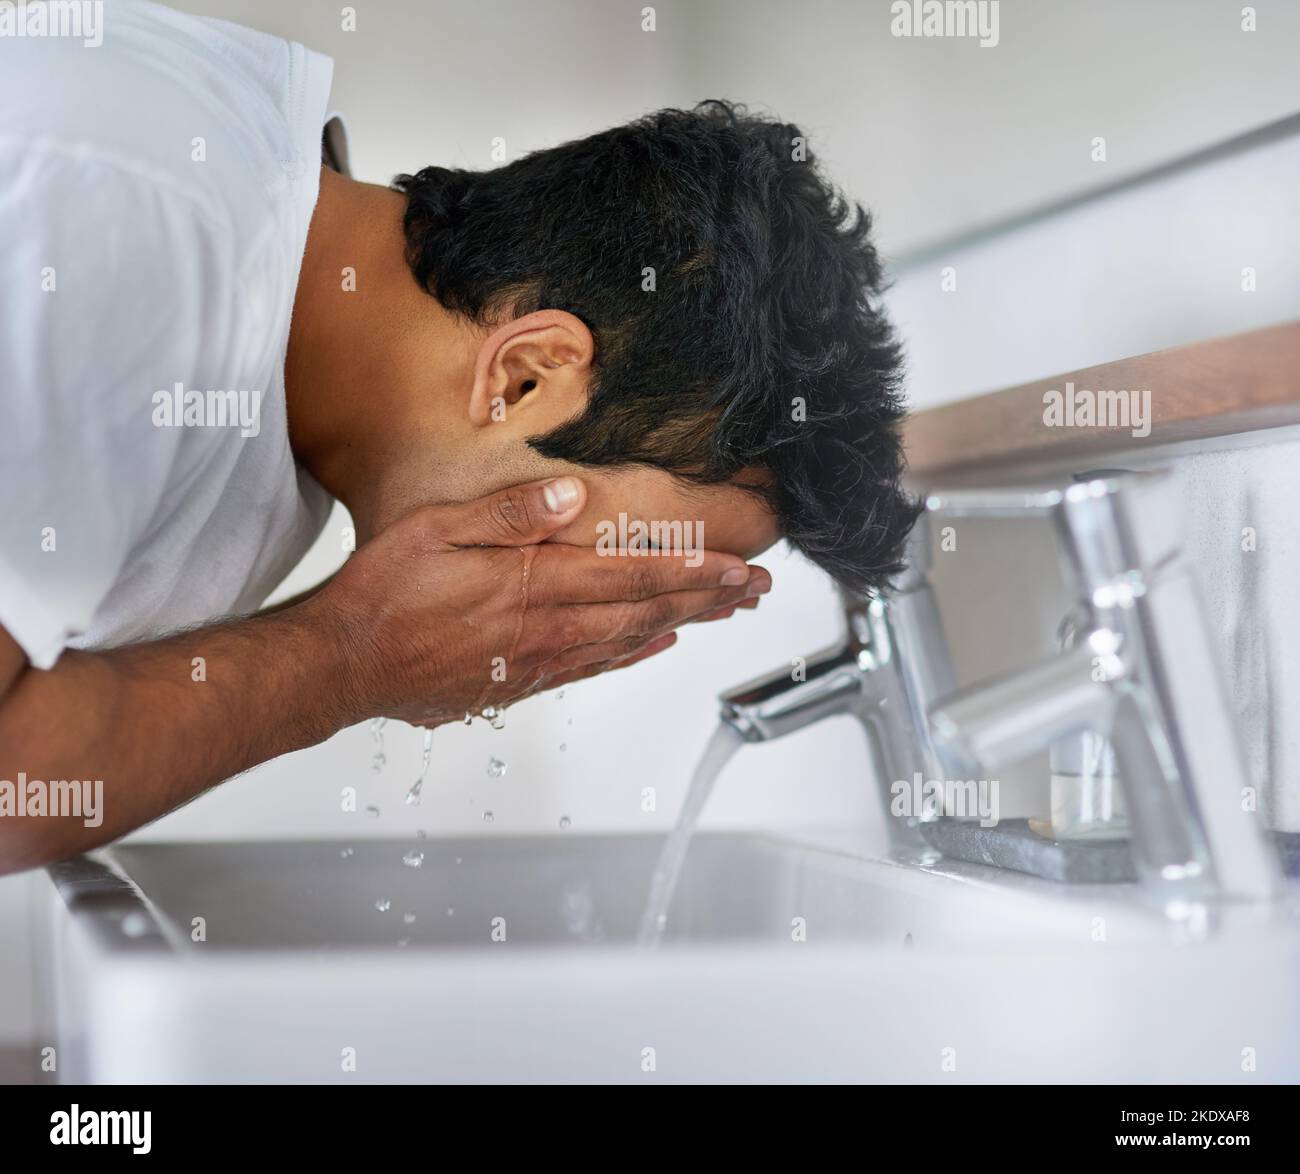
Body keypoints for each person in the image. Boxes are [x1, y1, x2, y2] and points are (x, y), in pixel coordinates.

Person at [0, 1, 915, 872]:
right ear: (526, 376)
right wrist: (348, 658)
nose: (585, 623)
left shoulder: (282, 344)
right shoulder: (131, 231)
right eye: (635, 560)